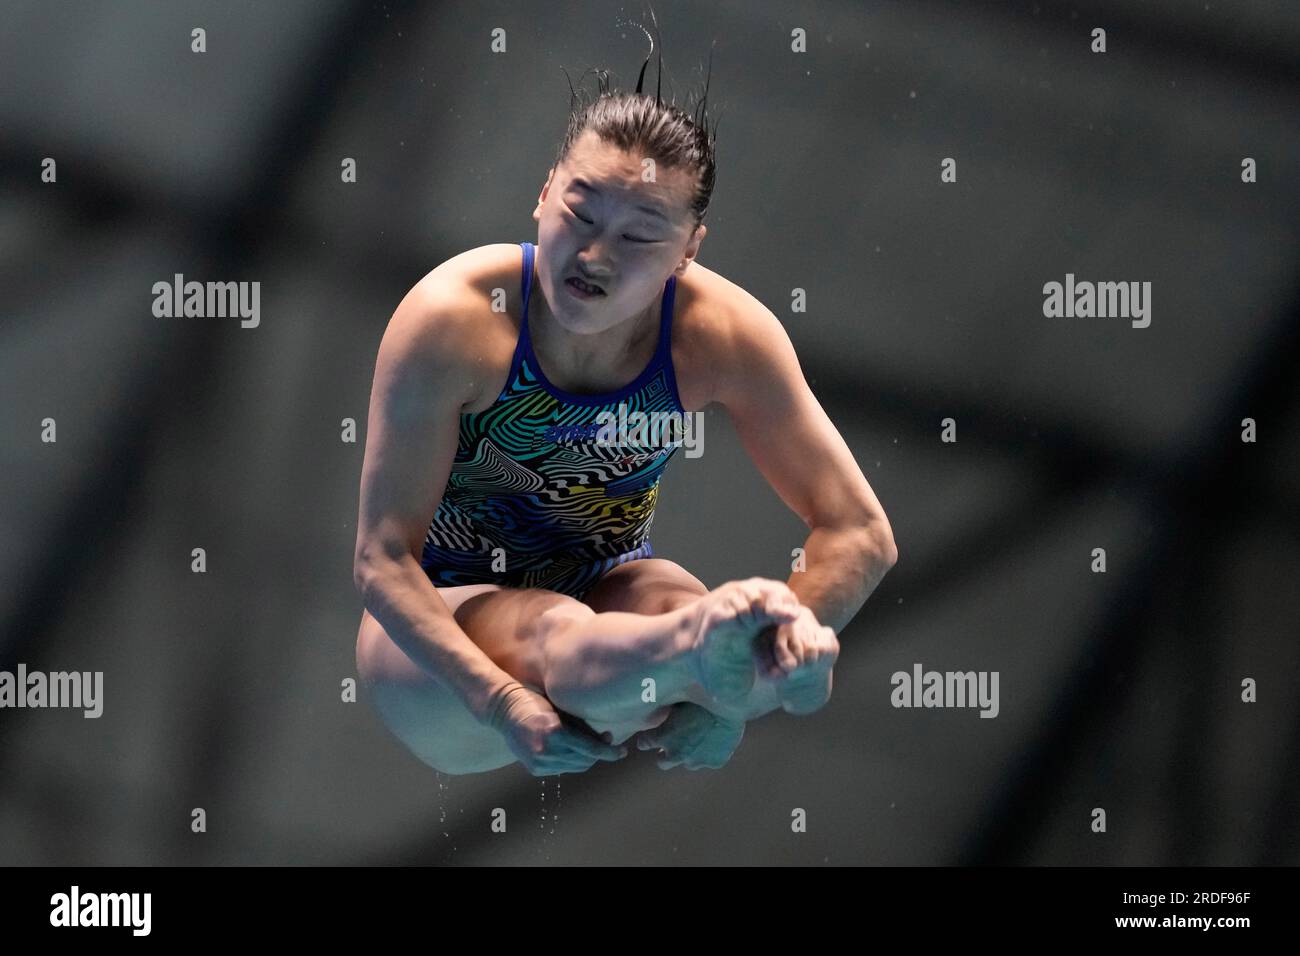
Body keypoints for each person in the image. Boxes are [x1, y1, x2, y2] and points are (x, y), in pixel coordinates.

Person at [352, 62, 897, 776]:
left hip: (610, 587)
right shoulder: (454, 319)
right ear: (545, 193)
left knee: (672, 599)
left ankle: (751, 650)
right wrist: (498, 703)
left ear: (688, 251)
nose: (595, 255)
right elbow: (382, 563)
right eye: (580, 212)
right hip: (432, 637)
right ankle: (718, 655)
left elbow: (860, 532)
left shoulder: (721, 335)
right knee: (555, 630)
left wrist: (721, 705)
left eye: (641, 238)